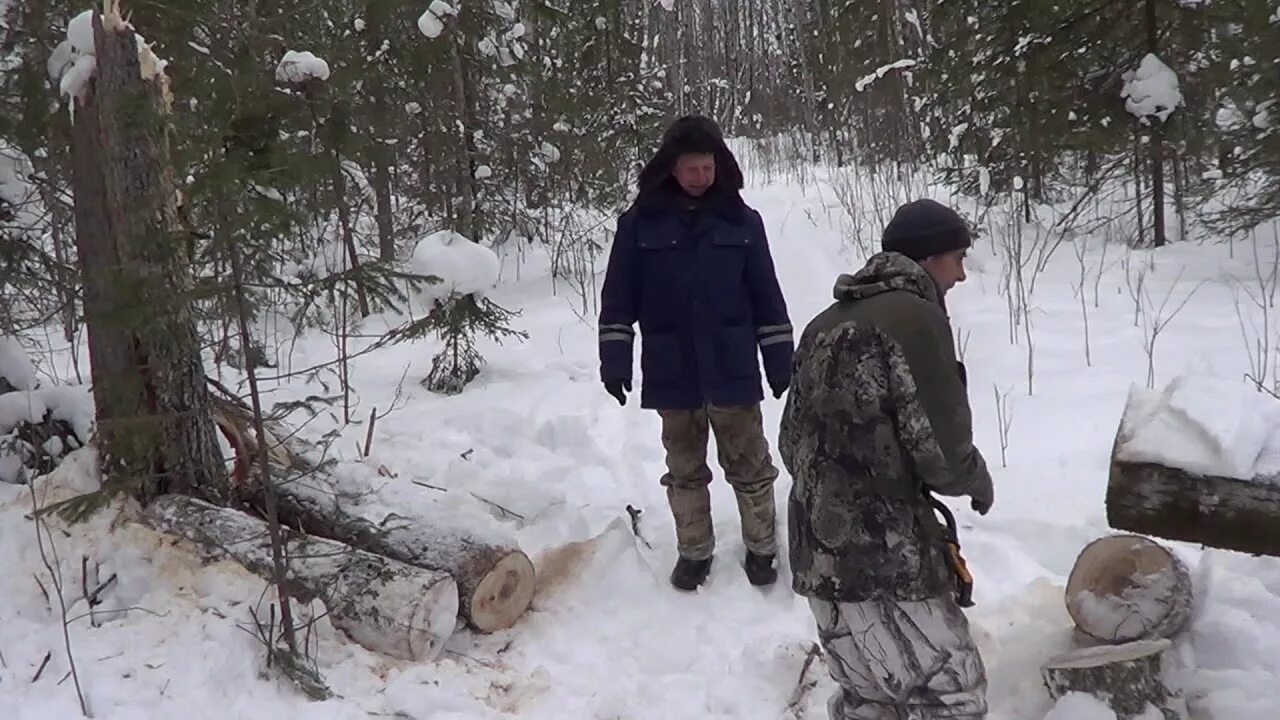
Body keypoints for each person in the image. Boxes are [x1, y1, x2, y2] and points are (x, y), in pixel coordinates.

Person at [779, 198, 994, 719]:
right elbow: (939, 450)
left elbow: (790, 442)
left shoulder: (823, 322)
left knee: (868, 701)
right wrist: (976, 480)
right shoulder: (914, 318)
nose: (962, 275)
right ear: (927, 259)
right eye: (957, 258)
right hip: (887, 557)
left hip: (816, 552)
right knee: (950, 699)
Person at [597, 115, 793, 592]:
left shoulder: (743, 223)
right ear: (671, 169)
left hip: (732, 364)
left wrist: (779, 358)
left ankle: (763, 547)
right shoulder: (639, 224)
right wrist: (615, 357)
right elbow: (619, 297)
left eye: (706, 168)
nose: (699, 178)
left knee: (750, 464)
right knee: (684, 469)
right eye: (690, 169)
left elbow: (766, 294)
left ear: (718, 166)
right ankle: (694, 552)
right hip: (672, 367)